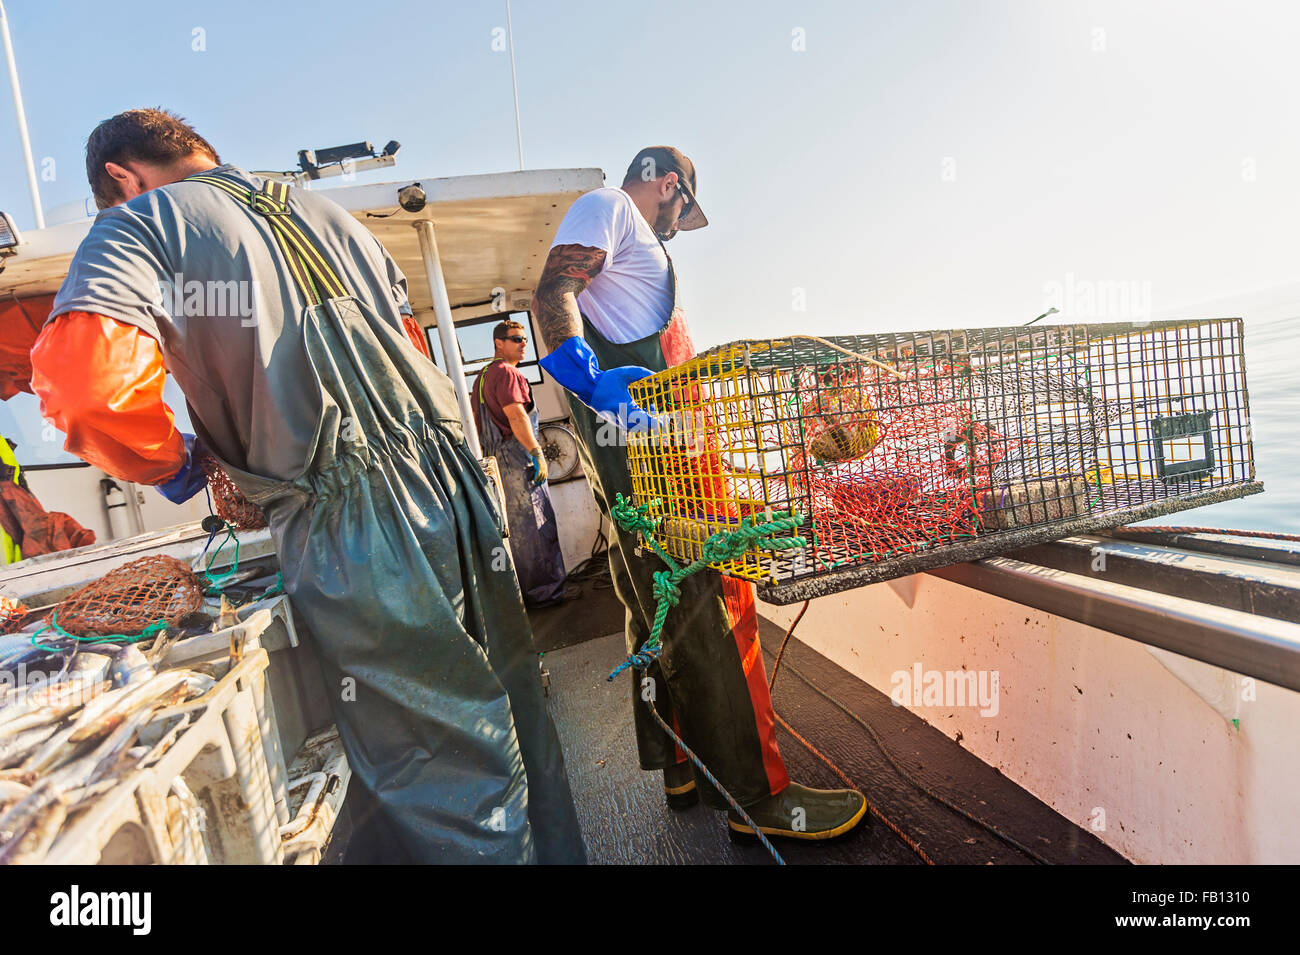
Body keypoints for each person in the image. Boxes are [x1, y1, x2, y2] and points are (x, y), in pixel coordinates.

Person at [29, 108, 585, 864]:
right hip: (454, 486)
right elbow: (409, 345)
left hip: (352, 526)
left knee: (447, 777)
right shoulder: (330, 213)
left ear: (121, 179)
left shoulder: (141, 221)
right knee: (511, 714)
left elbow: (86, 389)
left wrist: (185, 463)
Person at [534, 146, 868, 840]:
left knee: (655, 598)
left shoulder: (632, 253)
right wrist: (591, 381)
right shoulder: (612, 208)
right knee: (710, 592)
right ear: (669, 185)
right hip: (656, 454)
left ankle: (681, 759)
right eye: (682, 211)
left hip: (651, 446)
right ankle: (759, 797)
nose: (679, 227)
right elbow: (551, 290)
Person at [471, 320, 568, 608]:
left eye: (525, 339)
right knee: (538, 527)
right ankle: (547, 595)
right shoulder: (507, 372)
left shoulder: (482, 377)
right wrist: (537, 453)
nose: (523, 343)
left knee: (519, 530)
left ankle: (533, 593)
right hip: (518, 460)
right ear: (498, 343)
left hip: (497, 462)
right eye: (516, 339)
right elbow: (516, 416)